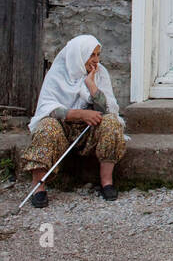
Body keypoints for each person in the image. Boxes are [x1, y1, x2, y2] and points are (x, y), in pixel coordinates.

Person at [21, 35, 127, 207]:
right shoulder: (57, 73)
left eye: (98, 55)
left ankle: (107, 182)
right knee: (46, 127)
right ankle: (38, 185)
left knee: (112, 123)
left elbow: (107, 110)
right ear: (78, 55)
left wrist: (91, 86)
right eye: (91, 55)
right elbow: (47, 108)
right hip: (62, 127)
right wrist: (78, 114)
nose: (96, 60)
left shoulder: (100, 73)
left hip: (89, 130)